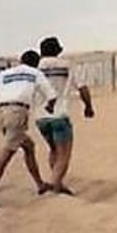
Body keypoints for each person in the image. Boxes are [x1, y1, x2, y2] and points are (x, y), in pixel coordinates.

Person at [0, 50, 57, 211]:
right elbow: (52, 96)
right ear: (36, 63)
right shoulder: (35, 73)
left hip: (3, 113)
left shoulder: (6, 73)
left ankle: (39, 184)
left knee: (28, 146)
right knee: (5, 154)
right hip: (18, 112)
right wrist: (50, 106)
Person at [35, 36, 95, 196]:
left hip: (40, 116)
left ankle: (57, 182)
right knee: (64, 154)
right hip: (60, 114)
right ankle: (54, 186)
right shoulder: (67, 65)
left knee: (53, 149)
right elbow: (82, 87)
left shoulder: (36, 68)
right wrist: (88, 106)